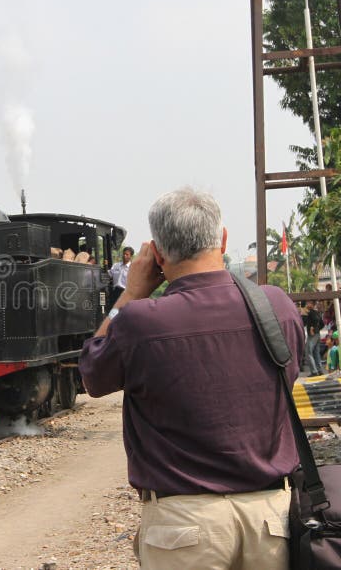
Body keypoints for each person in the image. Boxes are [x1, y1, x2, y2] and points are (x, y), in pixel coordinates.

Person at [79, 188, 304, 569]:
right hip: (270, 519)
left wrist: (130, 293)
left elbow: (92, 374)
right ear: (224, 239)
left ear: (158, 255)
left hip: (182, 524)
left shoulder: (139, 321)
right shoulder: (277, 306)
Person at [304, 300, 324, 376]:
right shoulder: (316, 312)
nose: (306, 304)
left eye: (308, 303)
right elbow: (322, 324)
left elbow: (316, 321)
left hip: (313, 335)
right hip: (317, 334)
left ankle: (314, 371)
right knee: (316, 353)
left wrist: (313, 328)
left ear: (312, 304)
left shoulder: (312, 312)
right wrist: (317, 330)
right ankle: (320, 370)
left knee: (308, 352)